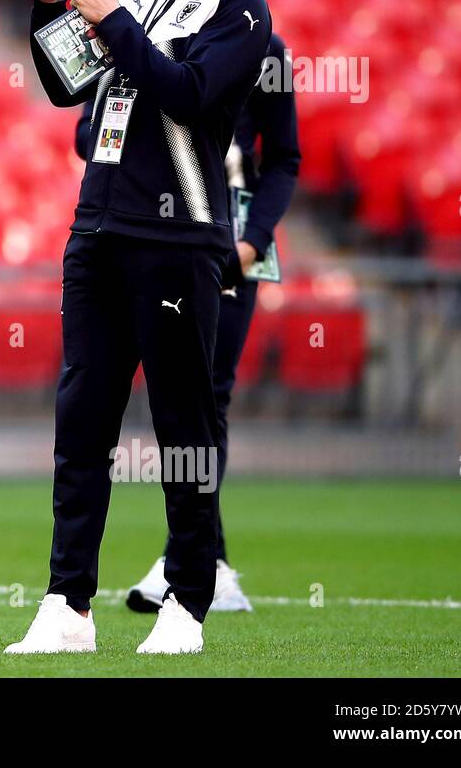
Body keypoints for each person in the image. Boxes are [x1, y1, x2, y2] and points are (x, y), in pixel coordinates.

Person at [5, 0, 271, 655]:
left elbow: (187, 95)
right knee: (80, 420)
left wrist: (110, 16)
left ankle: (187, 603)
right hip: (99, 230)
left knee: (183, 426)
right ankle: (66, 606)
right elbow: (69, 84)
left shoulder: (242, 8)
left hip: (179, 239)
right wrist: (55, 7)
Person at [97, 33, 300, 613]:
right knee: (180, 391)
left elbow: (284, 157)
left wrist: (253, 242)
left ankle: (187, 560)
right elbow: (90, 132)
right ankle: (208, 561)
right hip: (155, 228)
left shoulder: (260, 46)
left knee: (209, 390)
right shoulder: (141, 25)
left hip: (232, 239)